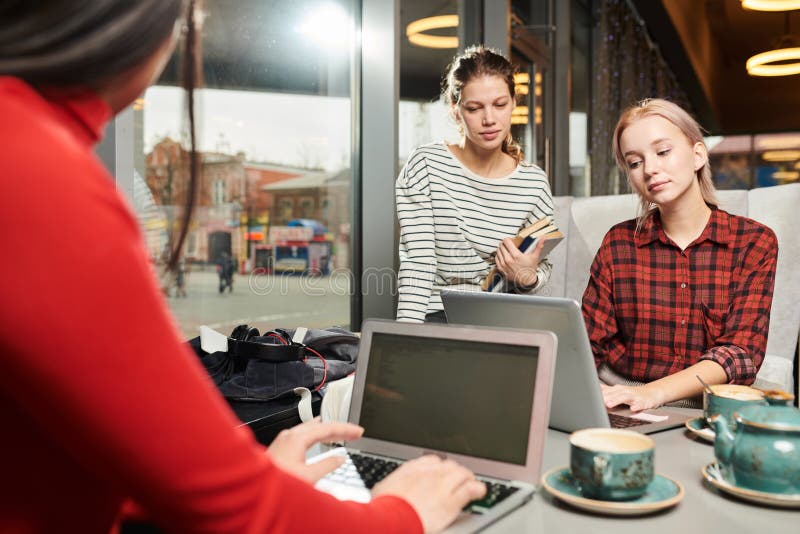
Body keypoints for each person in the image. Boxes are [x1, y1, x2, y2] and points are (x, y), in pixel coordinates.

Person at [0, 2, 485, 533]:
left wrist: (243, 474)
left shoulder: (25, 145)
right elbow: (242, 517)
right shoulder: (40, 176)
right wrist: (404, 513)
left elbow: (71, 453)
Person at [581, 98, 778, 412]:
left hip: (712, 404)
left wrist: (652, 394)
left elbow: (741, 352)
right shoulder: (618, 243)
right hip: (625, 400)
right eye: (634, 162)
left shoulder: (753, 242)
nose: (650, 169)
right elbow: (586, 341)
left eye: (662, 152)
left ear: (698, 154)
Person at [396, 45, 554, 323]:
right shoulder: (426, 164)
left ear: (514, 104)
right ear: (456, 110)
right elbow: (417, 264)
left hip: (501, 315)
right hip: (438, 313)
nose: (489, 119)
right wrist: (404, 338)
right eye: (474, 108)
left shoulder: (534, 184)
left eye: (500, 104)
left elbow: (540, 267)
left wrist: (526, 275)